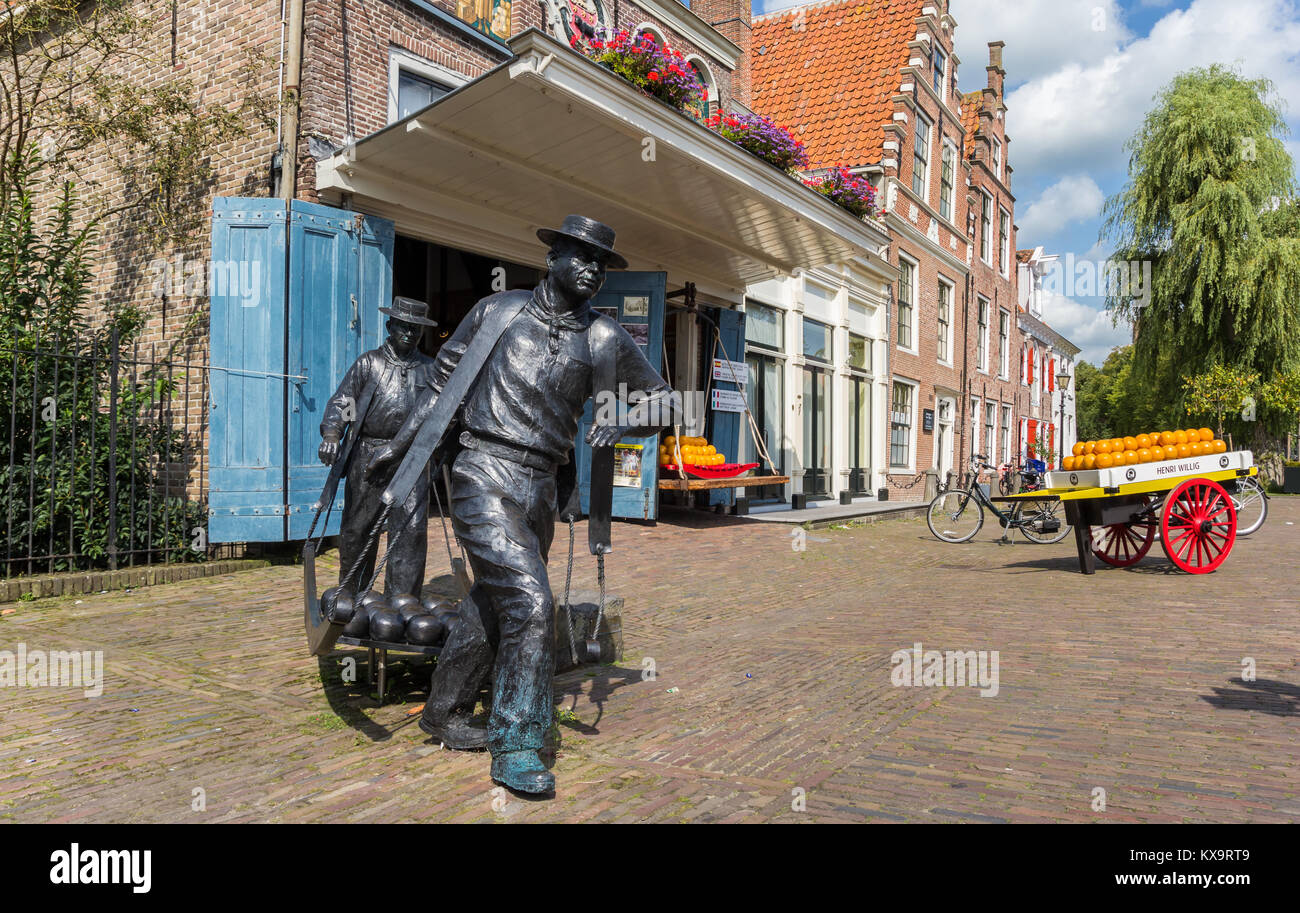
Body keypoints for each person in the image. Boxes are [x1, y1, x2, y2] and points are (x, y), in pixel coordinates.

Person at [368, 216, 675, 794]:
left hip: (542, 487)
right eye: (580, 255)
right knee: (533, 601)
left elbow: (665, 402)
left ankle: (444, 711)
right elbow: (440, 384)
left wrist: (623, 419)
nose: (591, 270)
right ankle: (519, 743)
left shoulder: (605, 339)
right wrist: (399, 449)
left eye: (601, 263)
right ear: (552, 257)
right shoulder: (498, 312)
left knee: (493, 601)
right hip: (482, 469)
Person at [319, 297, 439, 599]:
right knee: (360, 528)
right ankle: (351, 595)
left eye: (416, 329)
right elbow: (343, 402)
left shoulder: (430, 369)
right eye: (404, 327)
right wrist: (332, 434)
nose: (410, 334)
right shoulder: (368, 363)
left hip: (412, 459)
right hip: (369, 454)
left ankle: (402, 602)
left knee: (410, 532)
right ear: (390, 326)